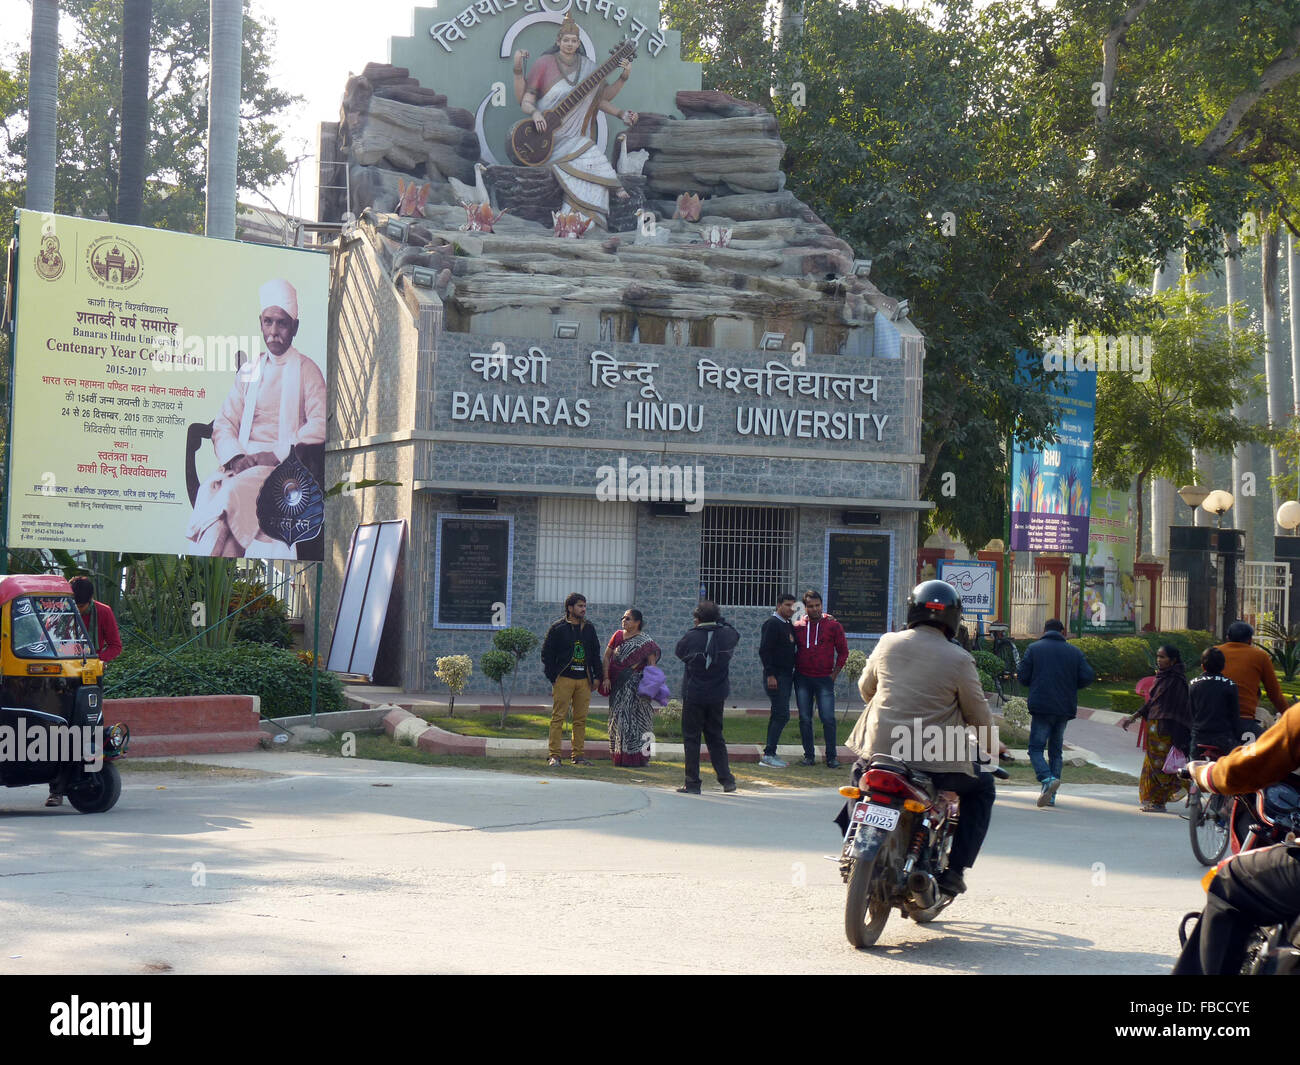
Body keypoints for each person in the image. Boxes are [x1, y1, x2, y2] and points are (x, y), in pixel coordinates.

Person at [845, 580, 997, 896]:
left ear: (913, 610)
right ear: (954, 618)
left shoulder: (888, 642)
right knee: (983, 788)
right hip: (936, 762)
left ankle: (851, 846)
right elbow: (978, 716)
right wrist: (995, 748)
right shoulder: (959, 659)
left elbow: (865, 689)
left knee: (860, 781)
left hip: (881, 753)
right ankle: (954, 872)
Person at [187, 279, 327, 559]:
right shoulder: (250, 371)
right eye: (268, 322)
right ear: (260, 323)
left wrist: (273, 455)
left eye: (282, 323)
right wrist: (237, 457)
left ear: (295, 327)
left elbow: (320, 424)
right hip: (241, 466)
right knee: (219, 495)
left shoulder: (307, 370)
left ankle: (203, 578)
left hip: (280, 470)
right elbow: (225, 422)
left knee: (229, 496)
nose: (274, 331)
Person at [1177, 704, 1300, 974]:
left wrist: (1205, 773)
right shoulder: (1233, 685)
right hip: (1235, 735)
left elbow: (1245, 768)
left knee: (1230, 881)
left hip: (1219, 749)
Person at [516, 14, 638, 228]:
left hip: (573, 138)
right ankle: (614, 185)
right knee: (588, 148)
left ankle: (577, 222)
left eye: (574, 41)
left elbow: (601, 99)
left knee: (586, 154)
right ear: (558, 42)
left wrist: (624, 81)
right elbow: (526, 101)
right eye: (566, 40)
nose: (570, 44)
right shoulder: (544, 63)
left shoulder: (589, 68)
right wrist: (535, 114)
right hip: (546, 142)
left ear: (579, 43)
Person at [47, 577, 122, 807]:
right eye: (74, 605)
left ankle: (91, 777)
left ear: (90, 600)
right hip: (62, 678)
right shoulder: (59, 612)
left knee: (90, 728)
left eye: (81, 606)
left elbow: (115, 646)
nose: (77, 610)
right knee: (60, 730)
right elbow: (47, 640)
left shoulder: (104, 612)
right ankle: (56, 790)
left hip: (90, 679)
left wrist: (98, 661)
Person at [1016, 619, 1095, 808]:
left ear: (1044, 630)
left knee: (1035, 748)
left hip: (1042, 707)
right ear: (1063, 631)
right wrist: (1070, 684)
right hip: (1064, 708)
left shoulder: (1034, 649)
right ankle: (1051, 795)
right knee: (1056, 751)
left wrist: (1036, 682)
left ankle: (1047, 779)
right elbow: (1087, 677)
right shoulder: (1074, 652)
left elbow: (1023, 677)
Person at [674, 600, 739, 794]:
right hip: (717, 695)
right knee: (716, 737)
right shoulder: (727, 635)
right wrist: (721, 622)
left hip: (694, 694)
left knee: (692, 739)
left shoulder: (691, 637)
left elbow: (680, 652)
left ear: (697, 618)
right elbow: (736, 634)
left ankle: (692, 783)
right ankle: (727, 780)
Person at [1122, 644, 1192, 812]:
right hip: (1154, 725)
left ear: (1173, 660)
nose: (1159, 660)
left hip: (1166, 727)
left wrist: (1170, 727)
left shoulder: (1177, 681)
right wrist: (1134, 717)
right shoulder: (1162, 677)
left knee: (1160, 765)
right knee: (1154, 764)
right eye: (1158, 657)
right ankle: (1171, 792)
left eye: (1163, 657)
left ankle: (1165, 798)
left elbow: (1180, 708)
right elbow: (1152, 702)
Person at [541, 592, 604, 767]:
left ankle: (578, 756)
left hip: (584, 680)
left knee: (580, 719)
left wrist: (598, 676)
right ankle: (554, 755)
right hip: (564, 679)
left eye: (584, 606)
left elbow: (595, 655)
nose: (583, 609)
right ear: (570, 608)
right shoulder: (558, 628)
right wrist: (553, 677)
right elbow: (547, 654)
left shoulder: (589, 628)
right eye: (580, 606)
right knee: (558, 717)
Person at [793, 590, 848, 769]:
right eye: (810, 606)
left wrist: (834, 675)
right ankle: (809, 756)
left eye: (817, 605)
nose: (814, 609)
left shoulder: (833, 625)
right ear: (805, 607)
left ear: (822, 605)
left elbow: (843, 652)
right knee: (805, 718)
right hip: (802, 679)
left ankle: (831, 757)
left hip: (825, 679)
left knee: (828, 718)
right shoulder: (798, 625)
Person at [600, 608, 660, 767]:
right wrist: (606, 678)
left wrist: (650, 688)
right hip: (618, 686)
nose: (623, 621)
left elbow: (652, 666)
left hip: (638, 687)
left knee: (644, 721)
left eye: (628, 618)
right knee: (619, 721)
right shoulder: (617, 636)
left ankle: (644, 758)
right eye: (623, 618)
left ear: (637, 622)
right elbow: (606, 657)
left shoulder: (646, 641)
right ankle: (621, 757)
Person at [1217, 621, 1288, 742]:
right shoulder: (1260, 656)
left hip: (1209, 722)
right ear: (1250, 640)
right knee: (1272, 748)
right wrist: (1290, 716)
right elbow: (1274, 694)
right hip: (1244, 721)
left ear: (1227, 638)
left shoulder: (1214, 652)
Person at [758, 593, 798, 768]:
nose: (791, 609)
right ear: (779, 605)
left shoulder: (788, 624)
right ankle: (769, 754)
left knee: (778, 714)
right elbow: (765, 651)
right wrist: (770, 675)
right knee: (782, 714)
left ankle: (770, 752)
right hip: (777, 676)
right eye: (787, 605)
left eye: (793, 606)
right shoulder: (772, 624)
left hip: (787, 675)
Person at [1188, 646, 1239, 757]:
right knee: (1231, 768)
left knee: (1192, 768)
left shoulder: (1193, 684)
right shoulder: (1230, 685)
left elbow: (1190, 712)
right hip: (1224, 737)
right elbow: (1234, 715)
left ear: (1202, 666)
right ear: (1223, 666)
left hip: (1199, 736)